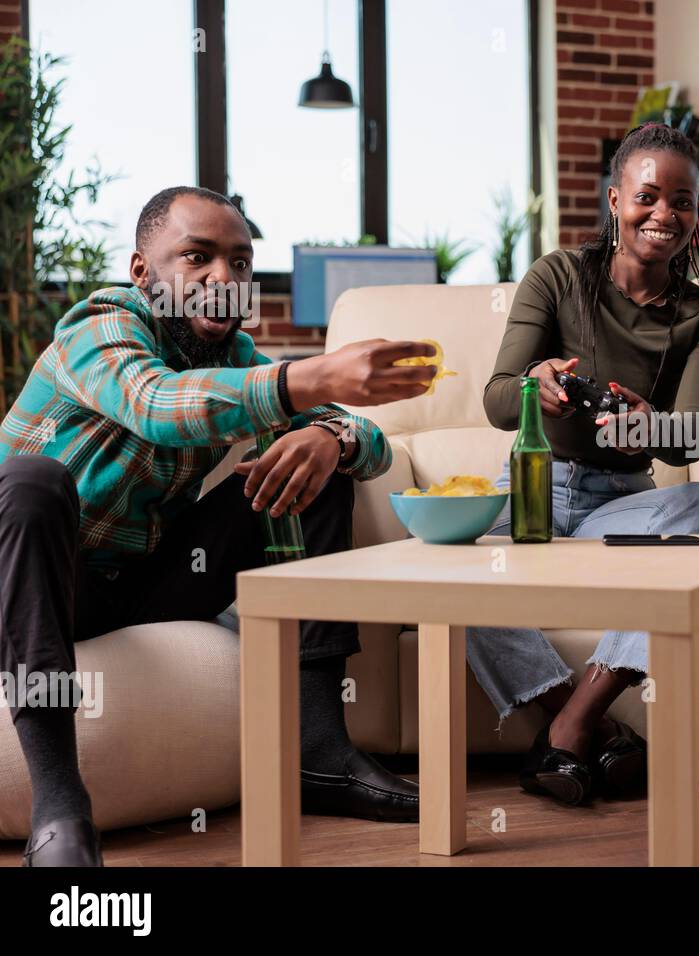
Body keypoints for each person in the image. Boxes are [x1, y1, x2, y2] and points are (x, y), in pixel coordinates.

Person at [0, 186, 438, 866]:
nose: (223, 279)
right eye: (196, 257)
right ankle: (58, 805)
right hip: (34, 588)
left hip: (138, 588)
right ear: (143, 271)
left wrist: (330, 437)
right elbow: (154, 405)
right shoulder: (99, 325)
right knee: (33, 481)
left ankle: (319, 748)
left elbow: (372, 444)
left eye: (239, 263)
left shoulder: (233, 359)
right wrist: (314, 378)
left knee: (305, 465)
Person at [469, 123, 699, 806]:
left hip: (621, 504)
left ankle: (571, 724)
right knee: (449, 563)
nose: (665, 216)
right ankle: (596, 737)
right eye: (648, 197)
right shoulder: (558, 275)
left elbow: (688, 441)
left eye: (682, 202)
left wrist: (647, 424)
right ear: (614, 200)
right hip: (534, 491)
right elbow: (495, 401)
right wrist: (537, 387)